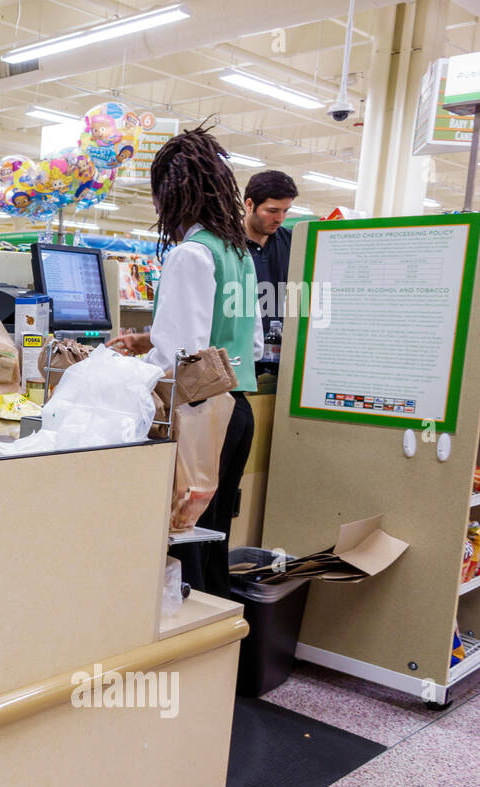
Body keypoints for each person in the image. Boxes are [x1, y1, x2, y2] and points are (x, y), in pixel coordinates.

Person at [107, 123, 262, 600]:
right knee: (214, 537)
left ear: (170, 195)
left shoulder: (189, 254)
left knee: (183, 542)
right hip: (236, 411)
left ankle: (191, 652)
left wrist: (121, 373)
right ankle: (224, 655)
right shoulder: (237, 253)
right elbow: (247, 345)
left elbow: (180, 359)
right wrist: (145, 338)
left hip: (197, 420)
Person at [243, 170, 298, 337]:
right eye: (272, 211)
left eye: (285, 211)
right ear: (250, 204)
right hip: (239, 347)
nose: (280, 219)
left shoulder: (293, 242)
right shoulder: (227, 244)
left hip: (279, 348)